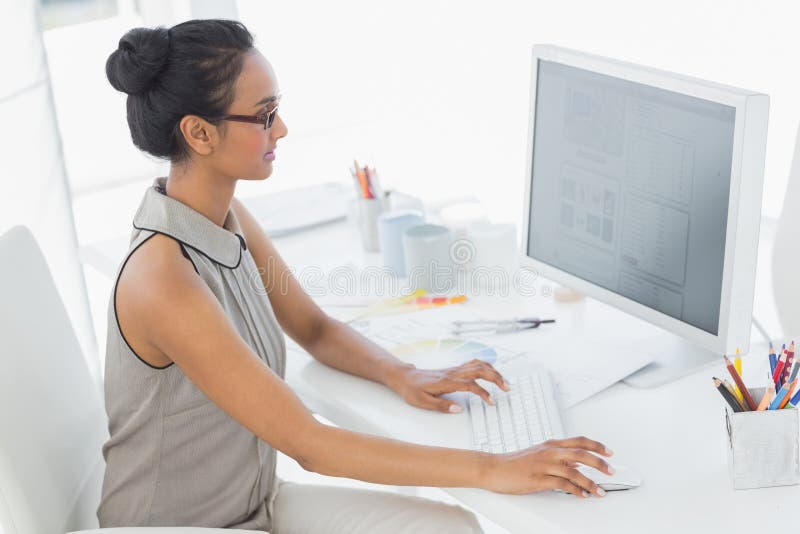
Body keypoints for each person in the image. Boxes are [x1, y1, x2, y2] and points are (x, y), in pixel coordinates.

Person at [98, 18, 614, 533]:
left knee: (452, 527)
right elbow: (310, 445)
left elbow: (315, 329)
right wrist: (495, 468)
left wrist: (405, 374)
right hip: (174, 527)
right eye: (265, 115)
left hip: (254, 504)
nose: (281, 129)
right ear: (199, 133)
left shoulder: (226, 219)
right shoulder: (162, 279)